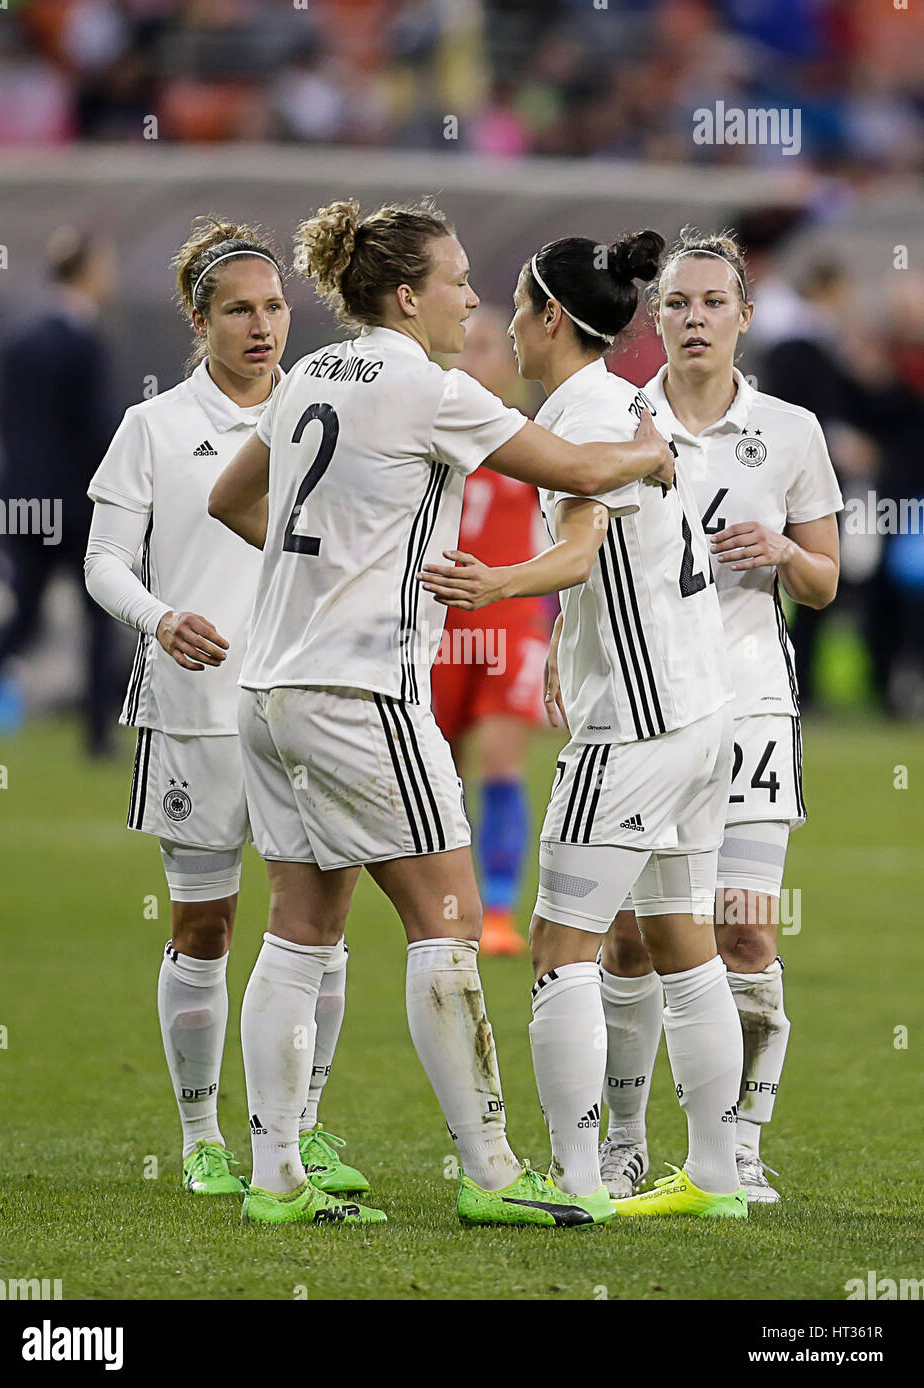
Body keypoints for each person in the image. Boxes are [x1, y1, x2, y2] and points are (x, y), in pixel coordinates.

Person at [208, 197, 673, 1228]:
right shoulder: (428, 387)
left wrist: (326, 567)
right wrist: (651, 449)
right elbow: (582, 470)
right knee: (451, 919)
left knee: (300, 926)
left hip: (271, 687)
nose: (472, 298)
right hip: (362, 693)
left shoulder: (307, 379)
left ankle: (278, 1173)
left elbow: (232, 502)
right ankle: (493, 1170)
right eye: (459, 279)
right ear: (408, 294)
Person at [421, 230, 747, 1219]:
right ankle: (714, 1174)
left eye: (513, 308)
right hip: (699, 709)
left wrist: (495, 585)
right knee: (681, 940)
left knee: (563, 948)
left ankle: (572, 1179)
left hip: (638, 728)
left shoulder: (582, 419)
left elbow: (576, 547)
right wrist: (569, 658)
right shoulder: (627, 403)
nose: (502, 325)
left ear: (550, 317)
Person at [84, 217, 367, 1201]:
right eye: (239, 309)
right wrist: (160, 619)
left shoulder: (324, 408)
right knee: (205, 925)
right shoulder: (154, 427)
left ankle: (303, 1127)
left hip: (310, 709)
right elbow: (102, 561)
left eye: (276, 306)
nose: (262, 325)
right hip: (196, 711)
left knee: (321, 930)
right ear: (198, 319)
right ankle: (203, 1133)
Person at [597, 229, 842, 1203]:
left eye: (712, 303)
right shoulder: (617, 420)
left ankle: (739, 1142)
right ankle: (620, 1136)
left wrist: (782, 551)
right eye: (677, 305)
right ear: (654, 321)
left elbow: (825, 583)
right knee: (625, 935)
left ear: (744, 314)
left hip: (749, 708)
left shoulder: (789, 431)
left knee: (744, 932)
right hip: (640, 708)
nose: (694, 319)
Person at [0, 228, 119, 756]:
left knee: (23, 617)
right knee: (101, 615)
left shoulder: (18, 340)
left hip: (22, 506)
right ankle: (99, 735)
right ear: (86, 272)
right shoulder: (84, 342)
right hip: (75, 508)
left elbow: (9, 428)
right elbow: (96, 434)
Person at [431, 306, 549, 957]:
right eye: (465, 346)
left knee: (501, 764)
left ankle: (500, 912)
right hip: (437, 628)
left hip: (510, 626)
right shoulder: (427, 438)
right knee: (440, 773)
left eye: (487, 347)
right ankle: (453, 906)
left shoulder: (532, 442)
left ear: (509, 362)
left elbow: (562, 543)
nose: (473, 358)